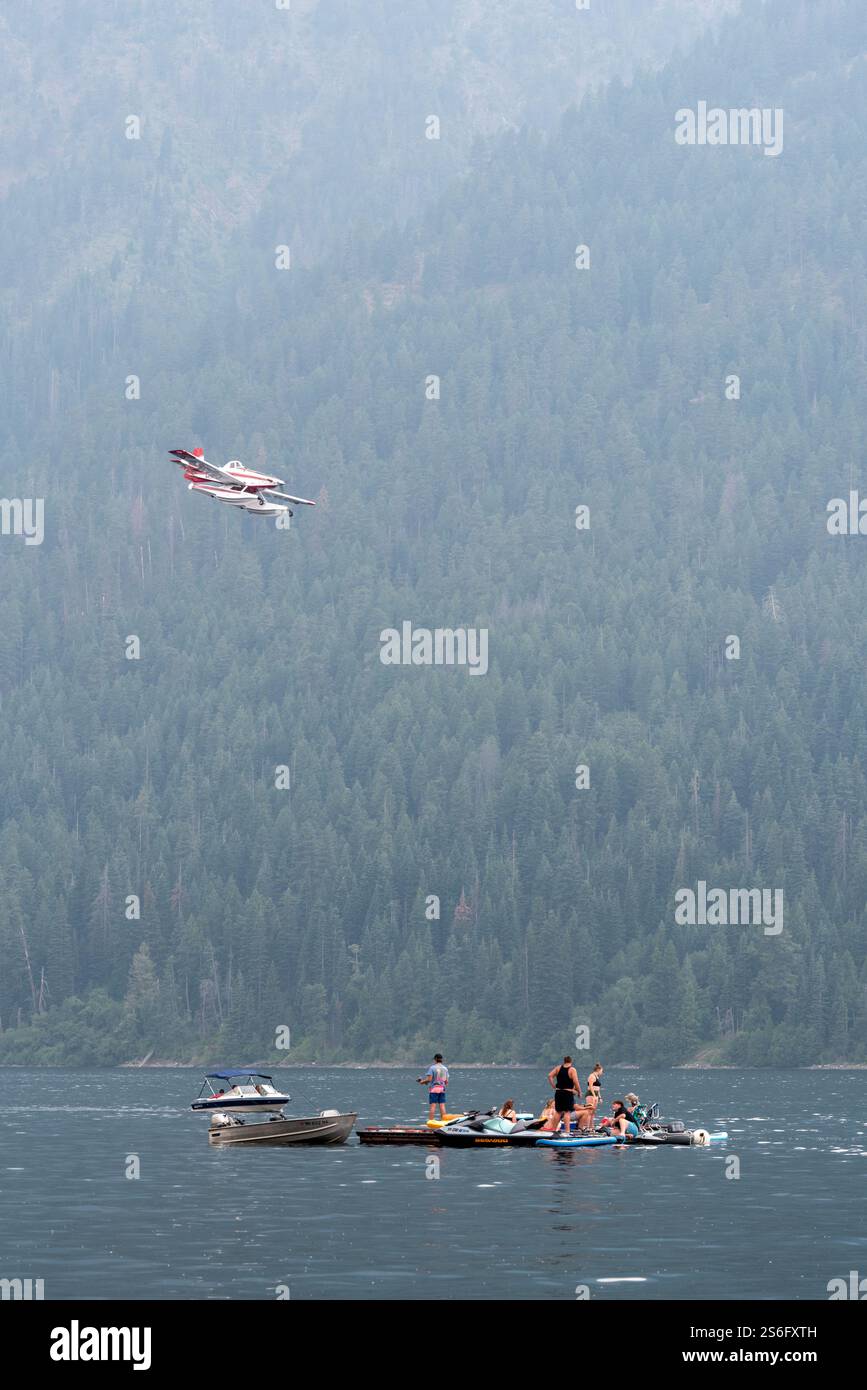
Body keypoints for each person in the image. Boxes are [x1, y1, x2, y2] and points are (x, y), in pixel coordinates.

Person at [547, 1055, 581, 1134]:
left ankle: (553, 1130)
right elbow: (576, 1082)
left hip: (558, 1092)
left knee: (558, 1111)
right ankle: (567, 1131)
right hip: (567, 1093)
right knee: (567, 1112)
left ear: (564, 1061)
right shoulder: (572, 1069)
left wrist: (553, 1086)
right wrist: (579, 1092)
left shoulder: (558, 1068)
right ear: (571, 1062)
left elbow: (550, 1076)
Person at [417, 1053, 449, 1121]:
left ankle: (431, 1122)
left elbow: (429, 1079)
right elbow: (446, 1081)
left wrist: (422, 1082)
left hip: (434, 1089)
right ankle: (444, 1121)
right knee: (442, 1106)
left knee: (433, 1106)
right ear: (441, 1060)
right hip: (442, 1089)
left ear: (435, 1059)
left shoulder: (432, 1068)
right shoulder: (445, 1069)